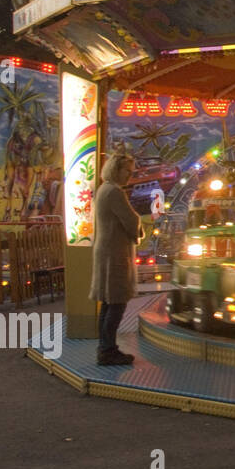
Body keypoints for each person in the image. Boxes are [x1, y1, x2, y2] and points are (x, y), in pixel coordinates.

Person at [89, 151, 143, 365]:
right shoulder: (115, 192)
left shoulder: (104, 189)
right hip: (115, 253)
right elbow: (131, 220)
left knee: (108, 302)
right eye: (127, 171)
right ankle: (107, 350)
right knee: (117, 301)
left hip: (106, 251)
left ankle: (105, 347)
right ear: (116, 169)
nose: (129, 176)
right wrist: (139, 230)